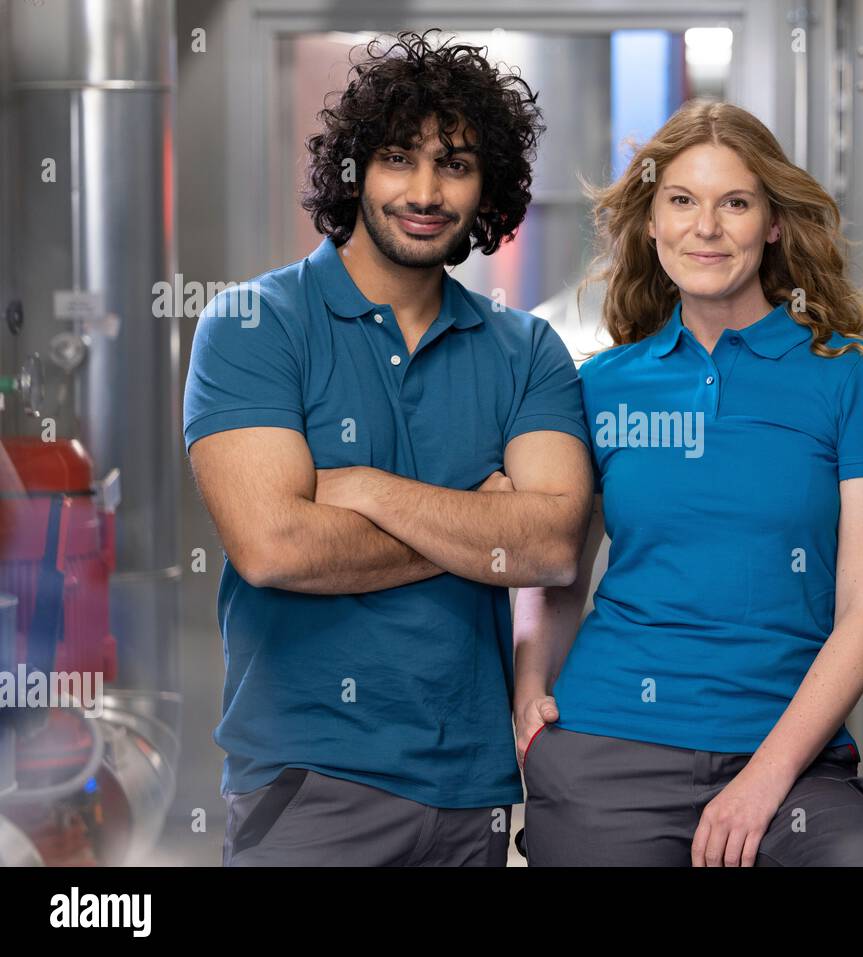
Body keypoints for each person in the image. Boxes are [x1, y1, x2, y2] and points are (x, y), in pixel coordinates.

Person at [183, 31, 592, 866]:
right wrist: (484, 528)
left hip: (472, 787)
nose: (426, 190)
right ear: (355, 171)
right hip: (307, 779)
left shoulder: (527, 349)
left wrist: (363, 487)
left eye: (457, 164)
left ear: (490, 190)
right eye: (399, 158)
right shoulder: (255, 325)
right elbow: (273, 547)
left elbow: (551, 546)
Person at [513, 100, 863, 866]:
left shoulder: (854, 379)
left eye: (734, 202)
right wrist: (529, 686)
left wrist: (766, 777)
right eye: (681, 201)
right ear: (650, 222)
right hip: (608, 743)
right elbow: (557, 563)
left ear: (771, 222)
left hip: (789, 757)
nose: (706, 227)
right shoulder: (600, 384)